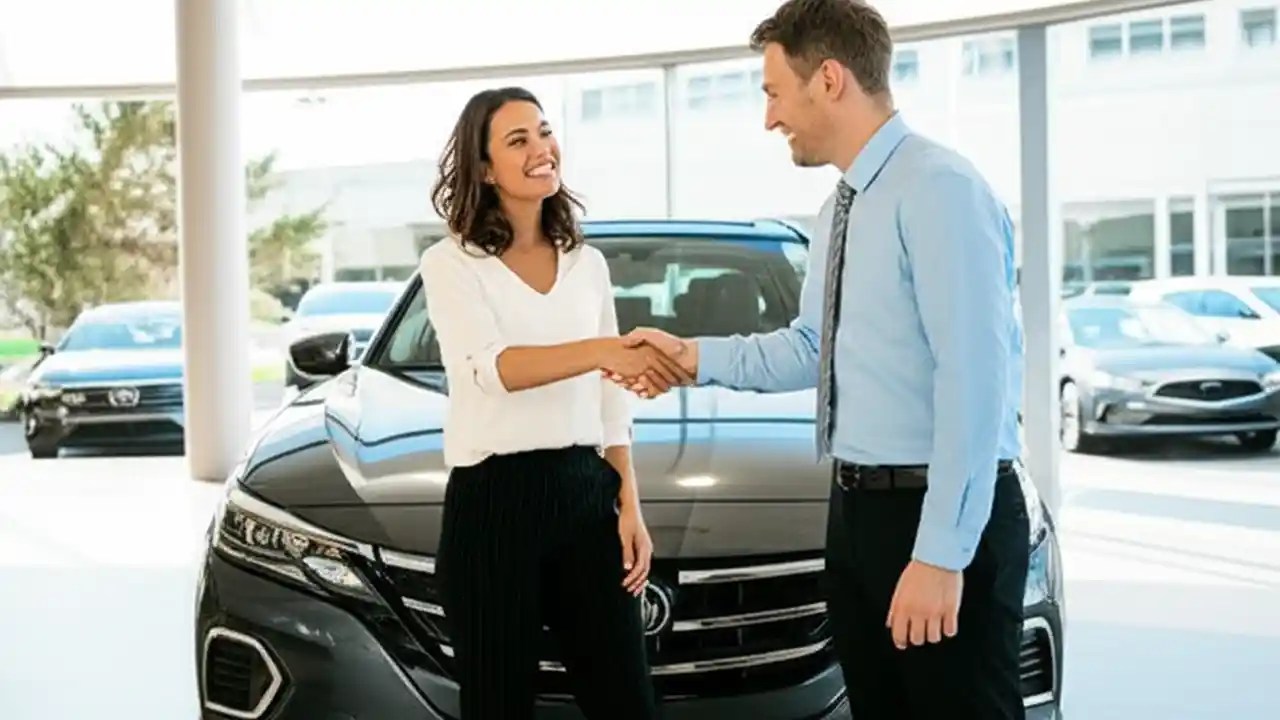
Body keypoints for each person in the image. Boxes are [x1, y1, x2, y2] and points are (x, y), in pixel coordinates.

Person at [614, 1, 1028, 718]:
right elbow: (811, 348)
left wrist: (940, 553)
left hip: (933, 515)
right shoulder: (842, 207)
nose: (770, 117)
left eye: (774, 92)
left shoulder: (939, 189)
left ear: (829, 79)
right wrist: (691, 357)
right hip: (859, 511)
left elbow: (975, 380)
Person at [419, 86, 688, 720]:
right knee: (499, 705)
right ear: (484, 170)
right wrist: (602, 349)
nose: (543, 148)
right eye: (519, 140)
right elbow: (489, 369)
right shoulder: (452, 264)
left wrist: (629, 503)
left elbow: (609, 402)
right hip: (493, 503)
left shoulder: (586, 264)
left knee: (626, 702)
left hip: (586, 494)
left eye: (544, 131)